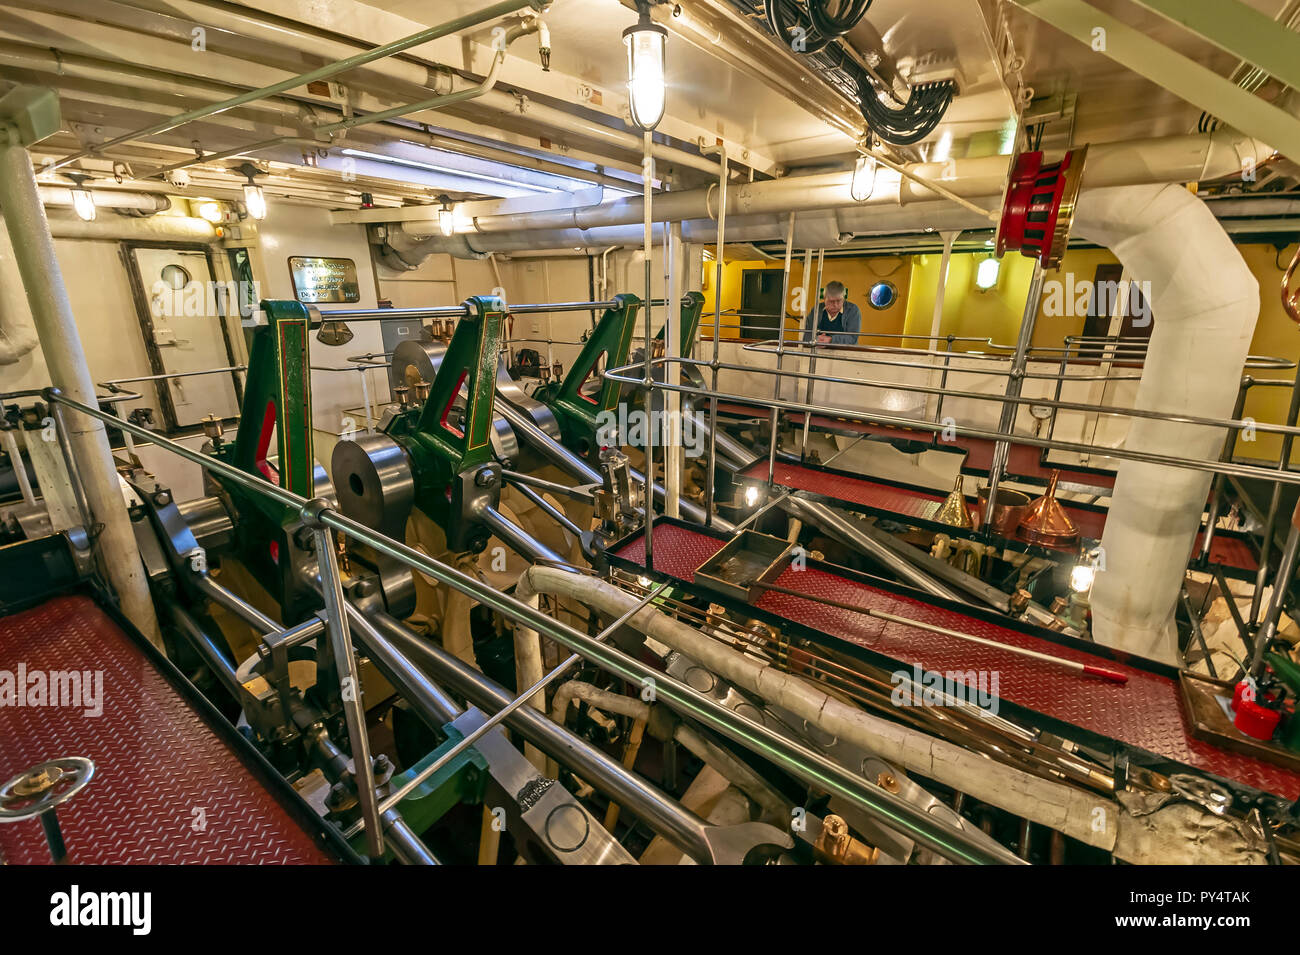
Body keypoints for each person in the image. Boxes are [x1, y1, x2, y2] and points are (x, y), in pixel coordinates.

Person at [804, 280, 861, 346]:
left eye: (839, 301)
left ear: (843, 298)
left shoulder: (852, 310)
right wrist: (816, 339)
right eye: (831, 301)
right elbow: (806, 333)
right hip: (819, 350)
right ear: (824, 299)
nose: (835, 305)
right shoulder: (816, 310)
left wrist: (831, 340)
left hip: (846, 351)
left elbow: (852, 338)